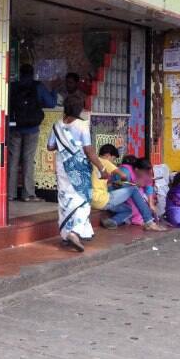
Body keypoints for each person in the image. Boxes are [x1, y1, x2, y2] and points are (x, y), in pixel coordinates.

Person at [47, 94, 106, 252]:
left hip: (62, 167)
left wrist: (64, 144)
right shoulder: (82, 125)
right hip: (79, 169)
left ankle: (65, 235)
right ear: (79, 109)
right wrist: (102, 168)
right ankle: (74, 232)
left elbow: (50, 147)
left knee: (65, 199)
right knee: (83, 200)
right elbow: (89, 150)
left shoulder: (57, 125)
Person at [8, 64, 57, 202]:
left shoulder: (12, 86)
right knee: (28, 160)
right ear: (32, 73)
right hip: (32, 128)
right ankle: (28, 194)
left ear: (19, 73)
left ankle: (10, 194)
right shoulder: (38, 86)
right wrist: (53, 89)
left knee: (13, 160)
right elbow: (51, 103)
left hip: (15, 127)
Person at [92, 145, 162, 232]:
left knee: (128, 210)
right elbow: (123, 176)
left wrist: (115, 183)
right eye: (113, 159)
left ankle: (112, 221)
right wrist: (130, 183)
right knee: (133, 189)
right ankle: (149, 222)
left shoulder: (91, 163)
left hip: (92, 200)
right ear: (108, 155)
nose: (113, 162)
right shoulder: (104, 162)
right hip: (102, 200)